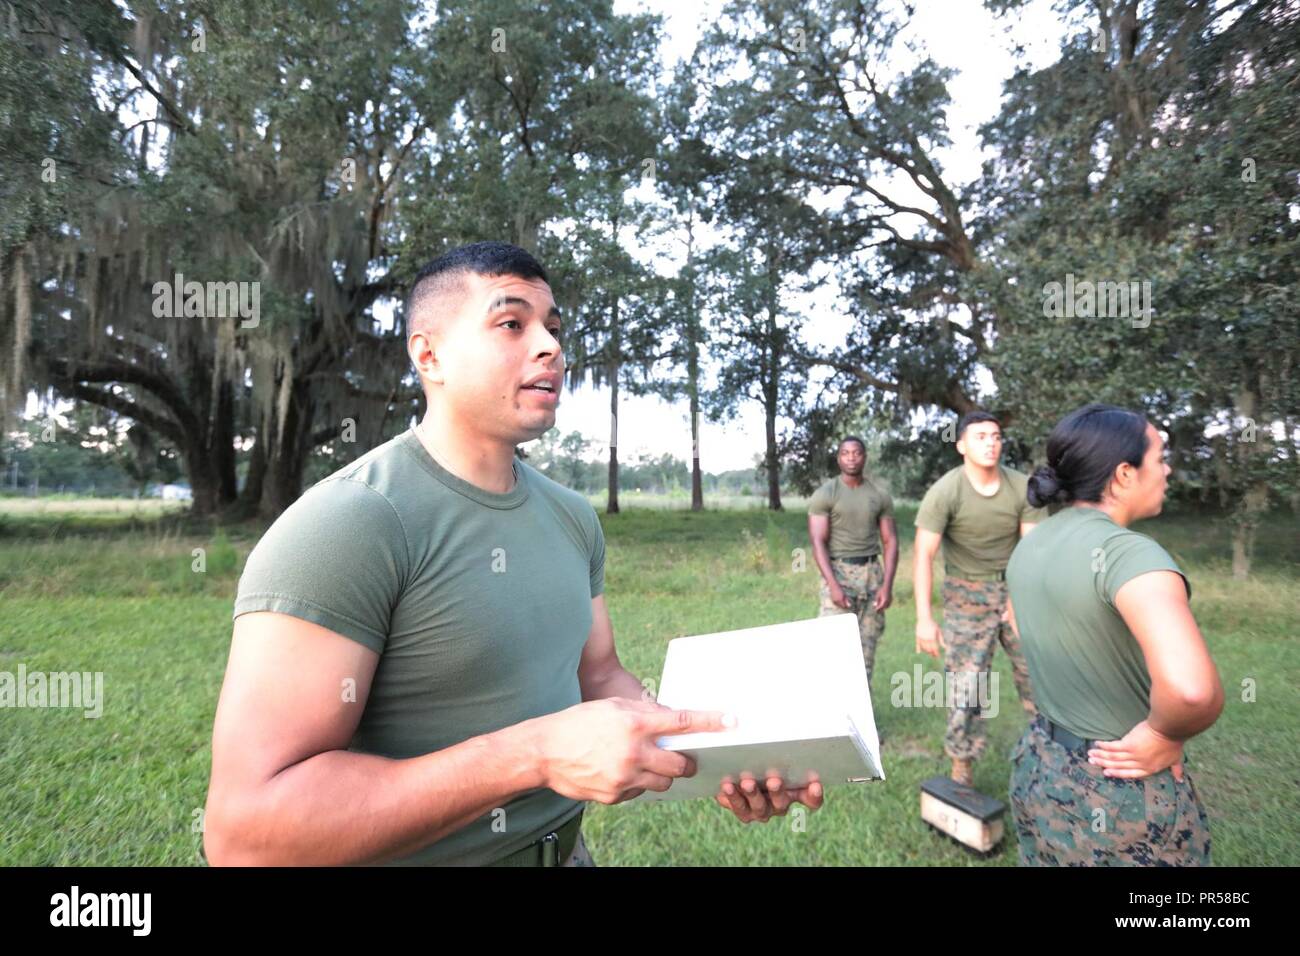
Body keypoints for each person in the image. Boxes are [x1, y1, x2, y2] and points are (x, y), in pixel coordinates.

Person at [203, 241, 823, 867]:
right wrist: (535, 753)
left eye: (553, 328)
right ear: (429, 354)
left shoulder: (572, 517)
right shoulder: (348, 524)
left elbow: (600, 675)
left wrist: (717, 750)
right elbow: (245, 834)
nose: (551, 346)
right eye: (512, 323)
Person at [1005, 403, 1222, 866]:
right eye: (1160, 457)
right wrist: (1164, 733)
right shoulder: (1127, 555)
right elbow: (1192, 691)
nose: (1167, 470)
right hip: (1118, 790)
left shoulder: (1033, 544)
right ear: (1124, 475)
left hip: (1040, 766)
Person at [913, 411, 1045, 785]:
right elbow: (923, 554)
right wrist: (924, 618)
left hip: (1017, 589)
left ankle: (1056, 755)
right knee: (966, 685)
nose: (990, 443)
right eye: (981, 436)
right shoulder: (945, 491)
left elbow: (1032, 551)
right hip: (966, 594)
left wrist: (1019, 599)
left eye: (996, 436)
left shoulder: (1022, 487)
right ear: (962, 446)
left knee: (1040, 674)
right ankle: (962, 763)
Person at [807, 436, 899, 688]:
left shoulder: (879, 495)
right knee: (833, 650)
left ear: (864, 457)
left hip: (872, 573)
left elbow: (890, 541)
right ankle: (830, 718)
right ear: (838, 458)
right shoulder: (825, 494)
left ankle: (862, 722)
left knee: (866, 652)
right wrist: (834, 586)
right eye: (845, 453)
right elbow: (817, 542)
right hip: (838, 571)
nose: (851, 458)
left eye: (856, 453)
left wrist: (887, 586)